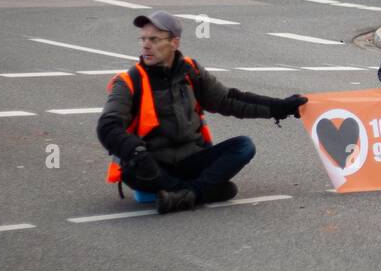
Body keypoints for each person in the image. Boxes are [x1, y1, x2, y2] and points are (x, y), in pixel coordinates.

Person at [96, 11, 308, 215]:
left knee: (244, 146)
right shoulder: (129, 81)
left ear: (174, 42)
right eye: (143, 39)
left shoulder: (191, 71)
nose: (146, 45)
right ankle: (199, 191)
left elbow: (228, 100)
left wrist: (279, 107)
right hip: (151, 164)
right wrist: (135, 152)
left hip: (191, 160)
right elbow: (108, 126)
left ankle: (185, 194)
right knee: (224, 189)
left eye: (154, 39)